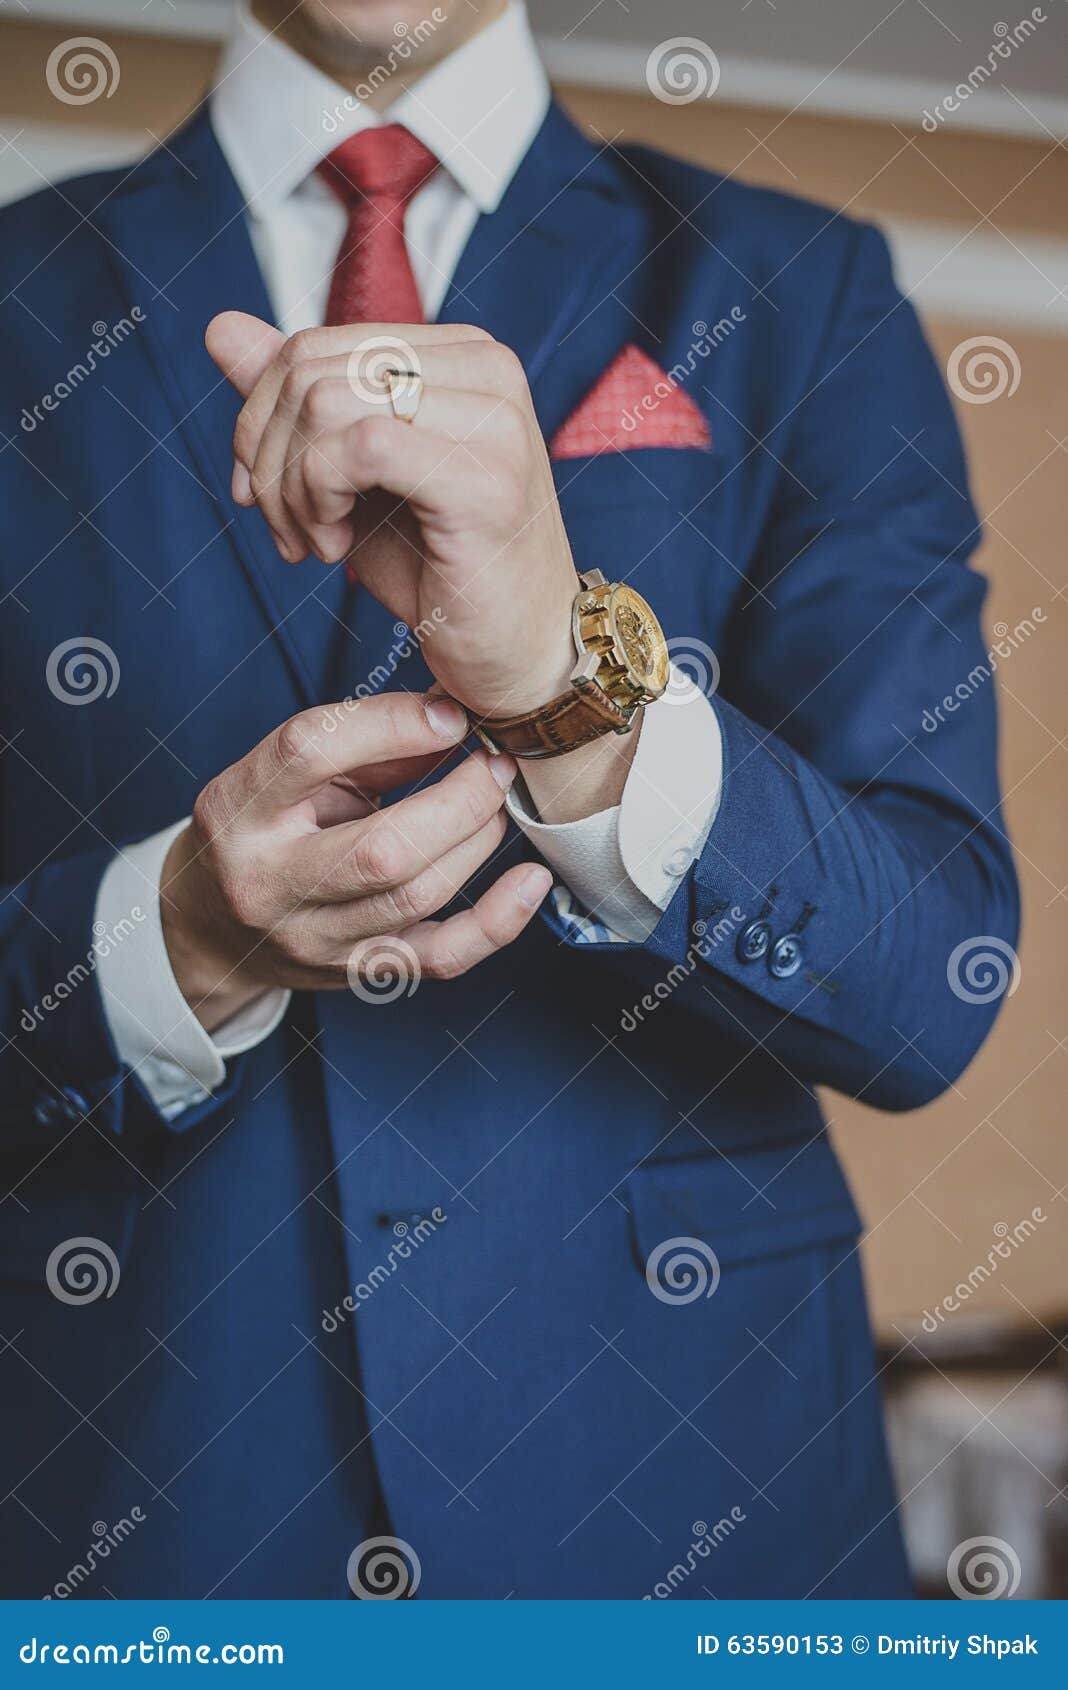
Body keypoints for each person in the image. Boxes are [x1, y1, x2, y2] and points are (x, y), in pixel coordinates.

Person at [0, 0, 1018, 1598]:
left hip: (692, 1506)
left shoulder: (798, 293)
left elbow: (929, 979)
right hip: (145, 1505)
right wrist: (173, 937)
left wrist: (570, 681)